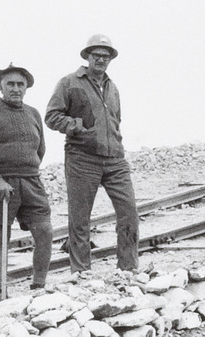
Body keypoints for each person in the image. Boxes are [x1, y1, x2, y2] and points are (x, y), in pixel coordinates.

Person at [46, 35, 138, 274]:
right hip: (82, 158)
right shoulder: (69, 83)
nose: (100, 59)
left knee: (129, 213)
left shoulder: (112, 87)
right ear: (87, 57)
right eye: (96, 55)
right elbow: (51, 116)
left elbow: (116, 120)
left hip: (115, 159)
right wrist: (74, 125)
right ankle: (81, 273)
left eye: (105, 56)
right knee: (80, 220)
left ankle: (128, 269)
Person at [0, 65, 53, 295]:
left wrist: (27, 168)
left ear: (26, 88)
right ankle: (1, 291)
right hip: (0, 185)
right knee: (0, 239)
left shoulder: (33, 113)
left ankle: (39, 286)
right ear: (1, 87)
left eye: (20, 84)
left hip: (31, 183)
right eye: (10, 84)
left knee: (45, 231)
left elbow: (40, 149)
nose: (16, 89)